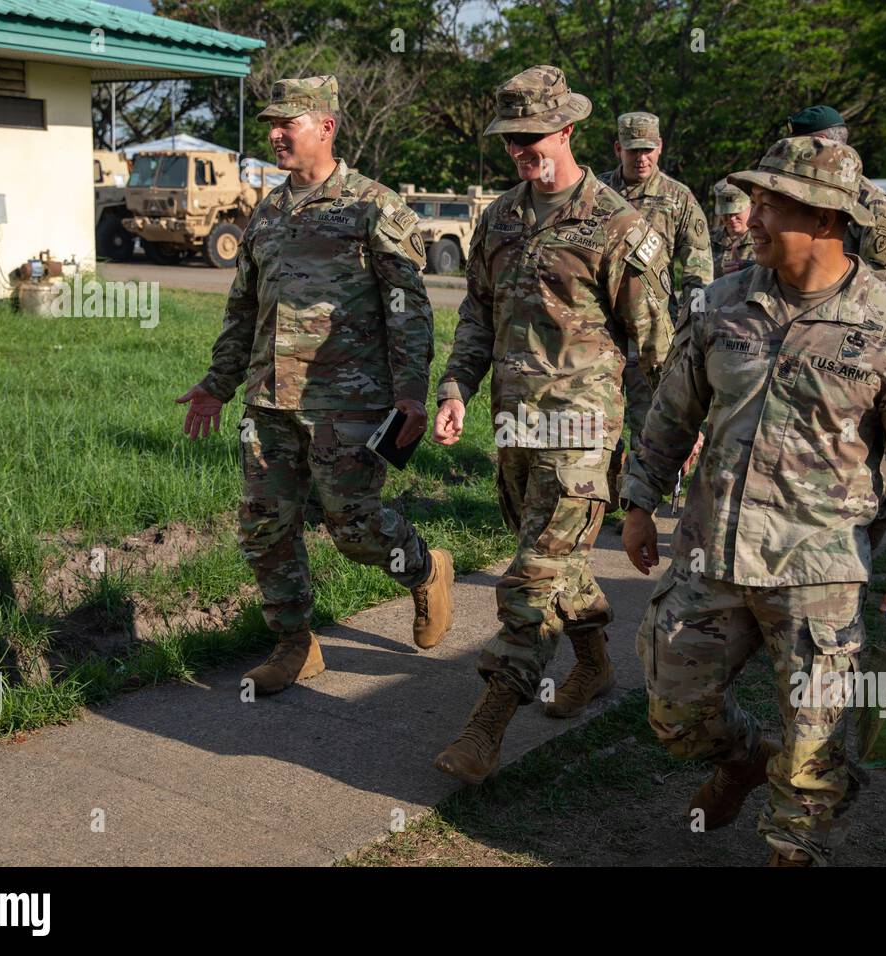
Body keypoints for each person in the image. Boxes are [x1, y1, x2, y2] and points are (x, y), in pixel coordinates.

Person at [621, 135, 886, 866]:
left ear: (830, 220)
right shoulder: (720, 305)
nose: (753, 217)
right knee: (674, 714)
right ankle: (746, 761)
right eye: (757, 200)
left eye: (775, 205)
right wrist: (640, 499)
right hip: (712, 556)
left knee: (814, 757)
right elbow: (673, 412)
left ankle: (796, 843)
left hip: (820, 578)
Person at [176, 75, 454, 696]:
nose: (274, 135)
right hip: (267, 402)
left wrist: (411, 392)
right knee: (263, 525)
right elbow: (243, 309)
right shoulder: (267, 212)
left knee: (354, 529)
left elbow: (408, 307)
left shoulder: (373, 206)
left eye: (288, 124)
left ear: (325, 127)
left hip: (347, 403)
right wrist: (218, 384)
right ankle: (295, 645)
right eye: (271, 125)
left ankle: (425, 569)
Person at [431, 65, 671, 783]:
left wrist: (661, 460)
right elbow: (478, 312)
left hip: (583, 437)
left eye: (534, 136)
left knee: (529, 580)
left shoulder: (619, 226)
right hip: (513, 431)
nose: (522, 151)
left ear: (569, 129)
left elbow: (657, 350)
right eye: (511, 140)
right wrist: (455, 389)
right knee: (556, 565)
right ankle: (595, 664)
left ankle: (486, 728)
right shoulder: (499, 218)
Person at [599, 112, 712, 452]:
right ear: (619, 148)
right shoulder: (598, 192)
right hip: (599, 325)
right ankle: (599, 491)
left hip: (654, 328)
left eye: (648, 149)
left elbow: (698, 270)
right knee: (596, 416)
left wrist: (691, 323)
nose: (641, 157)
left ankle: (638, 495)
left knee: (649, 417)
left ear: (660, 148)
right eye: (633, 149)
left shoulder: (679, 199)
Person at [787, 105, 886, 295]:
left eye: (799, 147)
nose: (791, 154)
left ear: (822, 142)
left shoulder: (872, 202)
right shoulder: (798, 194)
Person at [711, 178, 754, 278]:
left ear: (751, 206)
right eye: (726, 212)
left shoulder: (764, 241)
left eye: (736, 212)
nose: (731, 218)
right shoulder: (709, 241)